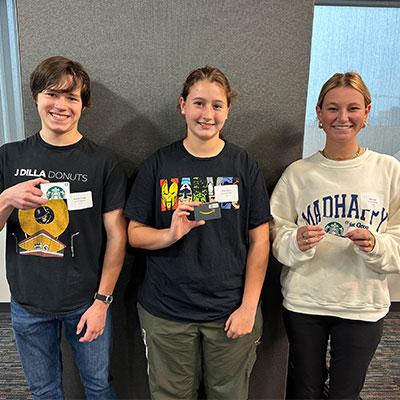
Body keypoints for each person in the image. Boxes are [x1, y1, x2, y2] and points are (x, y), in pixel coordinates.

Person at [124, 66, 271, 399]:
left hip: (230, 311)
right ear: (182, 105)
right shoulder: (158, 165)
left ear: (227, 110)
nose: (207, 114)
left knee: (228, 394)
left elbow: (260, 240)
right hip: (167, 312)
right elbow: (133, 234)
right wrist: (169, 235)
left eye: (217, 105)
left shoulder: (243, 165)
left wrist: (248, 308)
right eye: (199, 103)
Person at [0, 56, 127, 399]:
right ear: (36, 98)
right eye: (52, 94)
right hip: (27, 303)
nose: (61, 105)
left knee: (99, 386)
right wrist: (8, 198)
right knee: (43, 391)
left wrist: (102, 301)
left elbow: (117, 237)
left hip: (86, 302)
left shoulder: (102, 162)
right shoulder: (9, 157)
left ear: (83, 105)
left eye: (72, 98)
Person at [270, 72, 400, 399]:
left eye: (352, 108)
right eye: (332, 109)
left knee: (345, 393)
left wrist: (377, 246)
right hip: (305, 301)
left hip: (362, 304)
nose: (342, 118)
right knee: (304, 390)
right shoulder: (298, 174)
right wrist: (295, 243)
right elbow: (275, 233)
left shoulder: (388, 171)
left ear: (367, 112)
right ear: (319, 113)